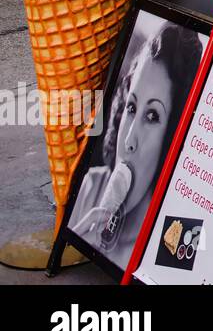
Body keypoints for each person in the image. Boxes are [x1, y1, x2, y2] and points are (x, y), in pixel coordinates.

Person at [67, 20, 202, 268]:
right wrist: (69, 251)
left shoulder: (175, 236)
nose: (128, 140)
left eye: (152, 116)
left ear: (173, 135)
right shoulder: (89, 189)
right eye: (131, 107)